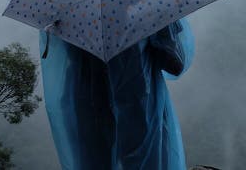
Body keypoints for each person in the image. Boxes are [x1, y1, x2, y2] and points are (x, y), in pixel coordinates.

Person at [39, 18, 195, 170]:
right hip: (138, 99)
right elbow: (176, 64)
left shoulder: (69, 5)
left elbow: (67, 53)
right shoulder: (149, 2)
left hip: (84, 99)